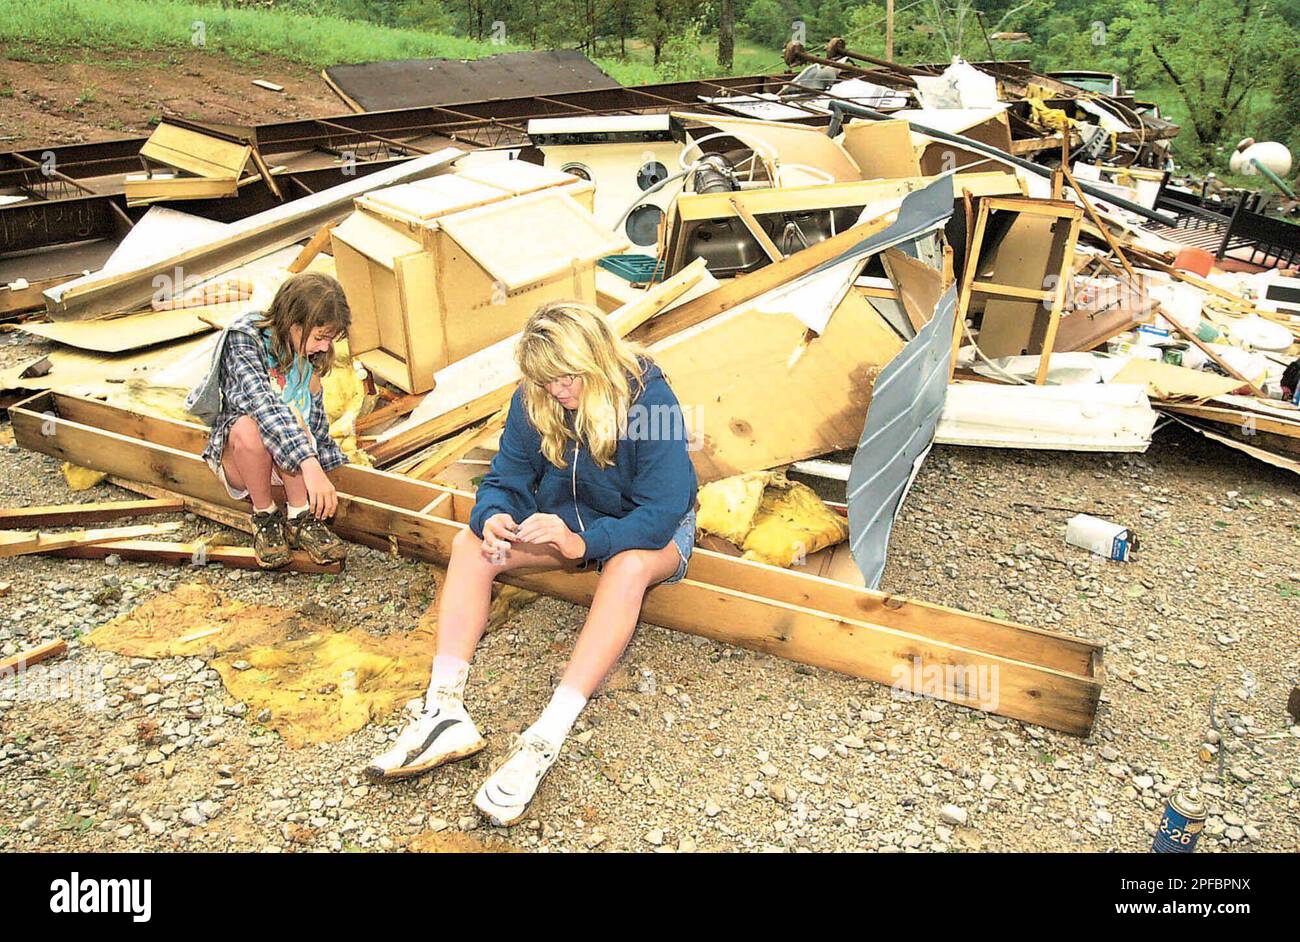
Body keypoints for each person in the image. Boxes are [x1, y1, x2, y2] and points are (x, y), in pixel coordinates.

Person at [367, 301, 698, 826]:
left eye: (568, 379)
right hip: (568, 525)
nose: (559, 393)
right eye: (546, 383)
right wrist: (494, 515)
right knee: (469, 546)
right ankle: (444, 708)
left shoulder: (650, 401)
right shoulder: (536, 397)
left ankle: (547, 734)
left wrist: (584, 542)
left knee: (628, 568)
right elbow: (506, 477)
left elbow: (659, 512)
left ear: (598, 360)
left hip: (649, 529)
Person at [191, 271, 352, 569]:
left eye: (330, 339)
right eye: (320, 337)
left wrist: (333, 469)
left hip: (290, 464)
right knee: (251, 427)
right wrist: (310, 464)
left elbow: (316, 427)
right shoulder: (245, 340)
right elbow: (265, 408)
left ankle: (300, 516)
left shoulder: (309, 359)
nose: (325, 347)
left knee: (298, 416)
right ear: (293, 325)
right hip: (246, 461)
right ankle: (264, 515)